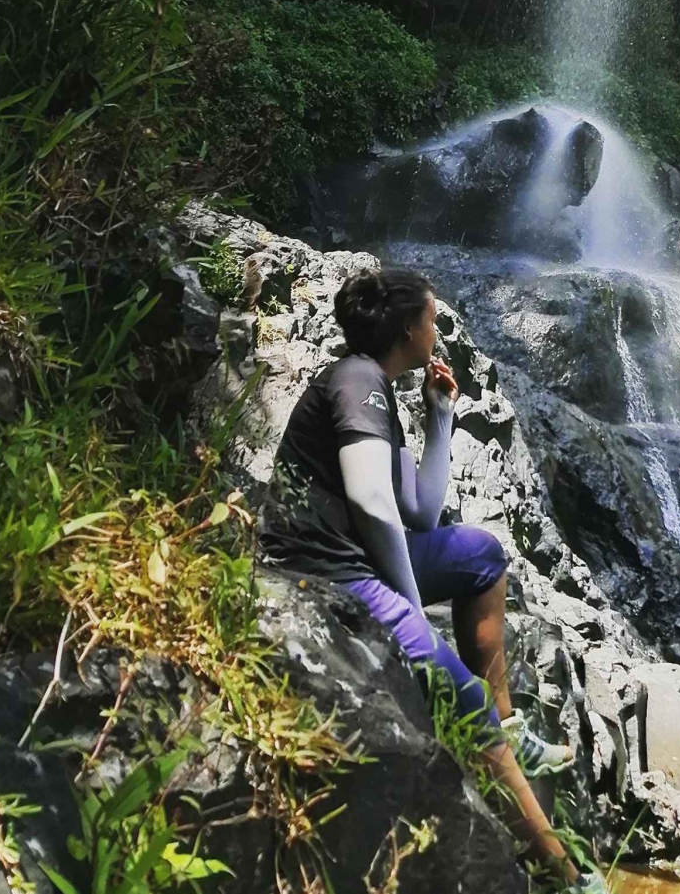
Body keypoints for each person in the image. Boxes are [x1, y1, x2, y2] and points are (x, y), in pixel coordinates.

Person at [259, 266, 605, 893]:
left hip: (357, 553)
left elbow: (417, 510)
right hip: (323, 568)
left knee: (481, 555)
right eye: (431, 319)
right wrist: (411, 607)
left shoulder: (378, 388)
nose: (437, 331)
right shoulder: (357, 378)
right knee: (462, 698)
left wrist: (440, 417)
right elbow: (370, 502)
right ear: (406, 329)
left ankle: (509, 728)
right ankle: (564, 875)